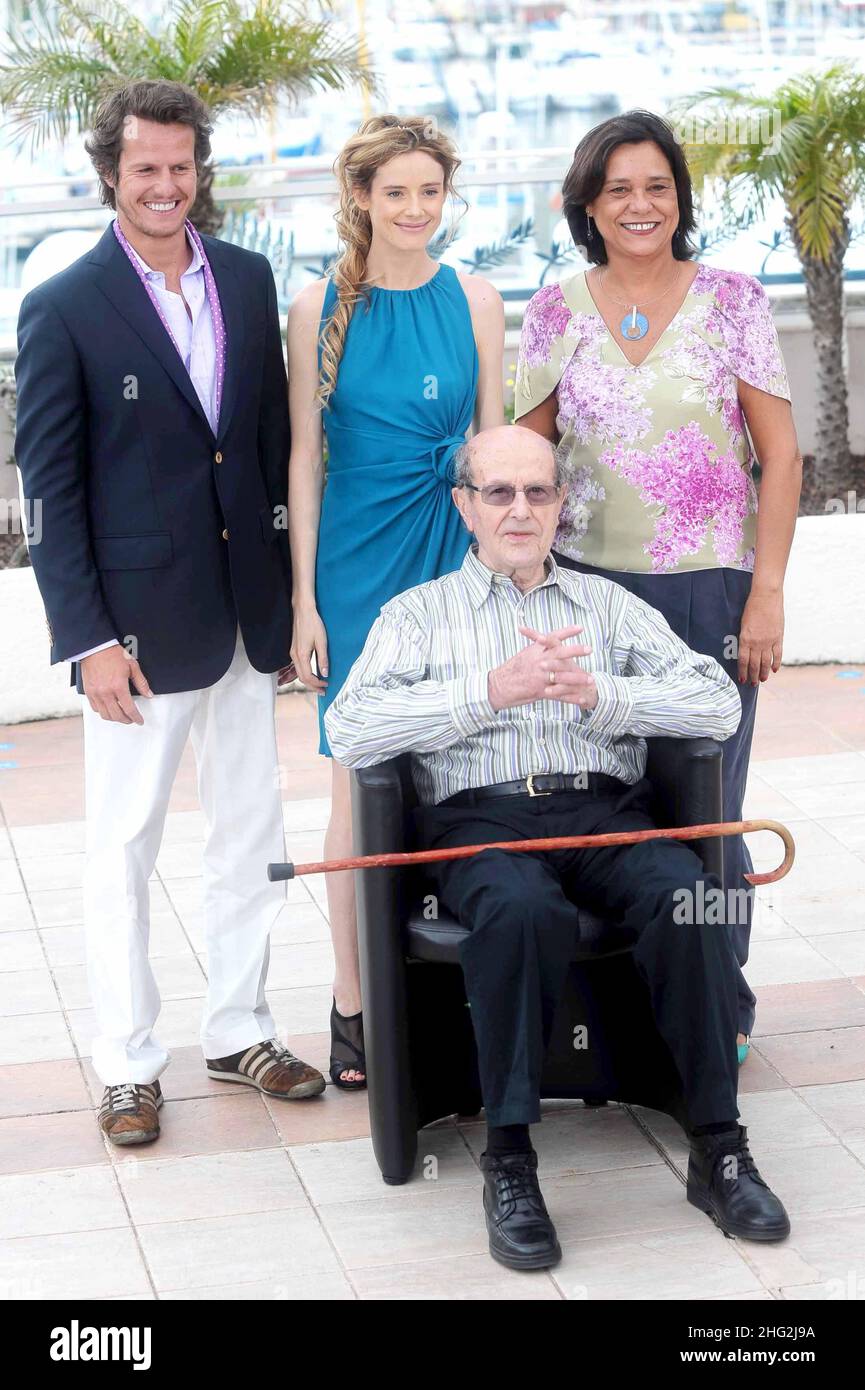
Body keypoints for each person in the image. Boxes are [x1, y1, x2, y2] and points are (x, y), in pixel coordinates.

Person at [325, 425, 790, 1271]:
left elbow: (714, 704)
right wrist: (483, 694)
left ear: (558, 506)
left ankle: (718, 1148)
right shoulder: (417, 616)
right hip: (480, 821)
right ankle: (509, 1163)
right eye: (498, 492)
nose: (519, 509)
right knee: (516, 909)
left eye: (537, 492)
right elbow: (349, 726)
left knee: (688, 897)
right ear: (464, 506)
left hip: (599, 809)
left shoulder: (604, 607)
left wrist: (602, 693)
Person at [14, 79, 324, 1147]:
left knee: (252, 830)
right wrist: (87, 637)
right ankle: (125, 1062)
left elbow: (272, 446)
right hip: (136, 638)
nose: (164, 185)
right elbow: (46, 491)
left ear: (200, 171)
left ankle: (239, 1029)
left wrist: (292, 599)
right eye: (144, 168)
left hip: (246, 616)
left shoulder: (244, 278)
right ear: (111, 171)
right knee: (124, 847)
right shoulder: (60, 303)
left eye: (180, 167)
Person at [515, 111, 802, 1064]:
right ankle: (629, 999)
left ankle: (719, 1001)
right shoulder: (554, 311)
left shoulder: (734, 300)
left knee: (710, 804)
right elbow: (528, 459)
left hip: (710, 594)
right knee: (609, 805)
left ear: (678, 199)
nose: (640, 205)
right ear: (586, 206)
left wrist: (764, 595)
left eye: (657, 187)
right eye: (618, 190)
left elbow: (781, 456)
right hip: (590, 597)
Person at [287, 115, 504, 1089]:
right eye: (396, 193)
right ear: (363, 198)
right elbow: (303, 459)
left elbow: (496, 456)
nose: (415, 210)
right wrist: (304, 602)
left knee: (459, 776)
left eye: (430, 192)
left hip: (455, 555)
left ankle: (444, 986)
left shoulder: (478, 297)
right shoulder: (319, 305)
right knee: (357, 786)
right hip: (357, 566)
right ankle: (353, 1000)